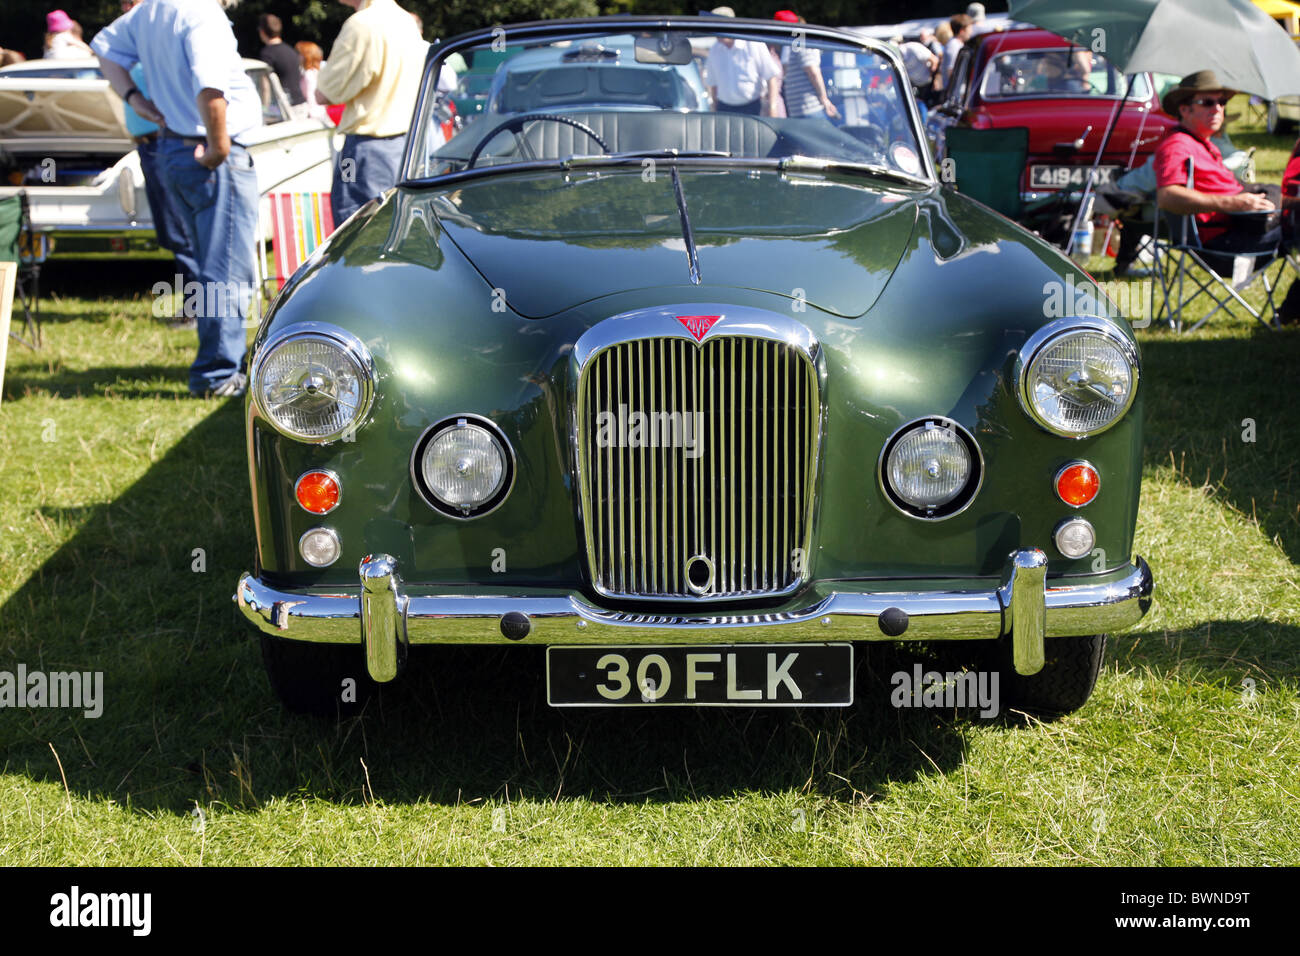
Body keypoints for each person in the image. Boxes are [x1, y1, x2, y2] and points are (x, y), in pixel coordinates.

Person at [93, 0, 262, 398]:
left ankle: (220, 365)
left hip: (176, 149)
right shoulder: (200, 13)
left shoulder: (152, 9)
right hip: (208, 152)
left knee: (211, 267)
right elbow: (210, 86)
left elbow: (103, 47)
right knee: (225, 271)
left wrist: (134, 98)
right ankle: (218, 375)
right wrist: (219, 146)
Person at [114, 0, 200, 325]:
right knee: (172, 231)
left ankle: (197, 308)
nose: (126, 7)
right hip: (150, 148)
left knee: (180, 231)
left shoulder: (157, 41)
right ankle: (195, 305)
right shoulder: (136, 41)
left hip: (164, 145)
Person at [316, 0, 427, 224]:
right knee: (400, 230)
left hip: (367, 151)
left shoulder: (362, 25)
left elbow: (326, 92)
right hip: (408, 145)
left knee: (356, 234)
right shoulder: (406, 20)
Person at [1154, 70, 1281, 253]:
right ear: (1184, 109)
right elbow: (1167, 196)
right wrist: (1235, 203)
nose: (1217, 109)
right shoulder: (1177, 145)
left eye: (1222, 102)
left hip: (1246, 226)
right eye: (1207, 102)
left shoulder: (1204, 143)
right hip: (1225, 241)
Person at [704, 8, 780, 115]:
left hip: (752, 108)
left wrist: (772, 107)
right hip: (724, 109)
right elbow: (713, 84)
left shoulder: (753, 44)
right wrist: (714, 108)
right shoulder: (715, 50)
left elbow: (771, 76)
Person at [776, 13, 838, 120]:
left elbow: (812, 71)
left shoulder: (799, 39)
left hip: (808, 107)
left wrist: (824, 99)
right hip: (805, 108)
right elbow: (811, 71)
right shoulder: (795, 42)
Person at [258, 13, 305, 110]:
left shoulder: (267, 54)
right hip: (302, 103)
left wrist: (264, 108)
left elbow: (265, 86)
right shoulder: (291, 50)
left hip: (286, 108)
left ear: (262, 32)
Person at [295, 40, 328, 121]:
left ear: (306, 55)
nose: (296, 56)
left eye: (299, 53)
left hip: (314, 115)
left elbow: (311, 97)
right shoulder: (318, 71)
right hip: (322, 112)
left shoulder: (308, 74)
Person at [941, 14, 972, 87]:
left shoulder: (956, 44)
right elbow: (951, 71)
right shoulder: (953, 46)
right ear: (962, 31)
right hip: (956, 94)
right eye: (969, 29)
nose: (971, 31)